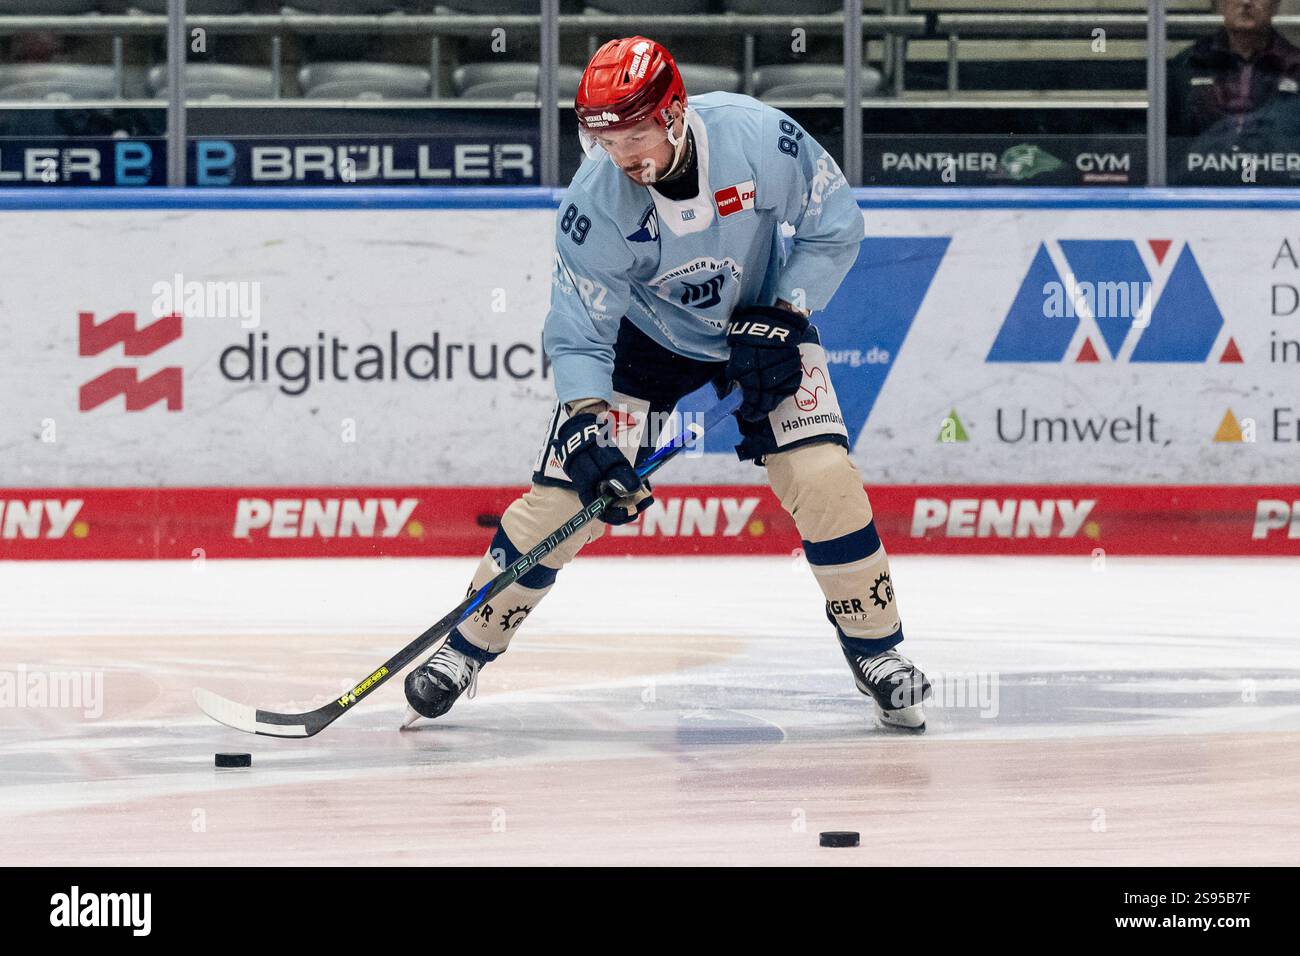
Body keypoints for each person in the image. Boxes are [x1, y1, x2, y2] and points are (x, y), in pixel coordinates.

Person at [404, 37, 931, 732]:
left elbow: (835, 226)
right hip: (645, 344)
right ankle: (465, 648)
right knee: (564, 499)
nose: (622, 154)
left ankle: (879, 652)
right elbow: (578, 331)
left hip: (760, 324)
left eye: (636, 133)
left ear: (675, 112)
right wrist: (588, 422)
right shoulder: (593, 207)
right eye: (604, 136)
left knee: (824, 474)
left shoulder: (759, 138)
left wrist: (783, 310)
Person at [1168, 0, 1300, 152]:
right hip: (1202, 171)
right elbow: (1170, 146)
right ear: (1219, 4)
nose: (1246, 2)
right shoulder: (1188, 64)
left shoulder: (1295, 66)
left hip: (1278, 171)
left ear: (1275, 4)